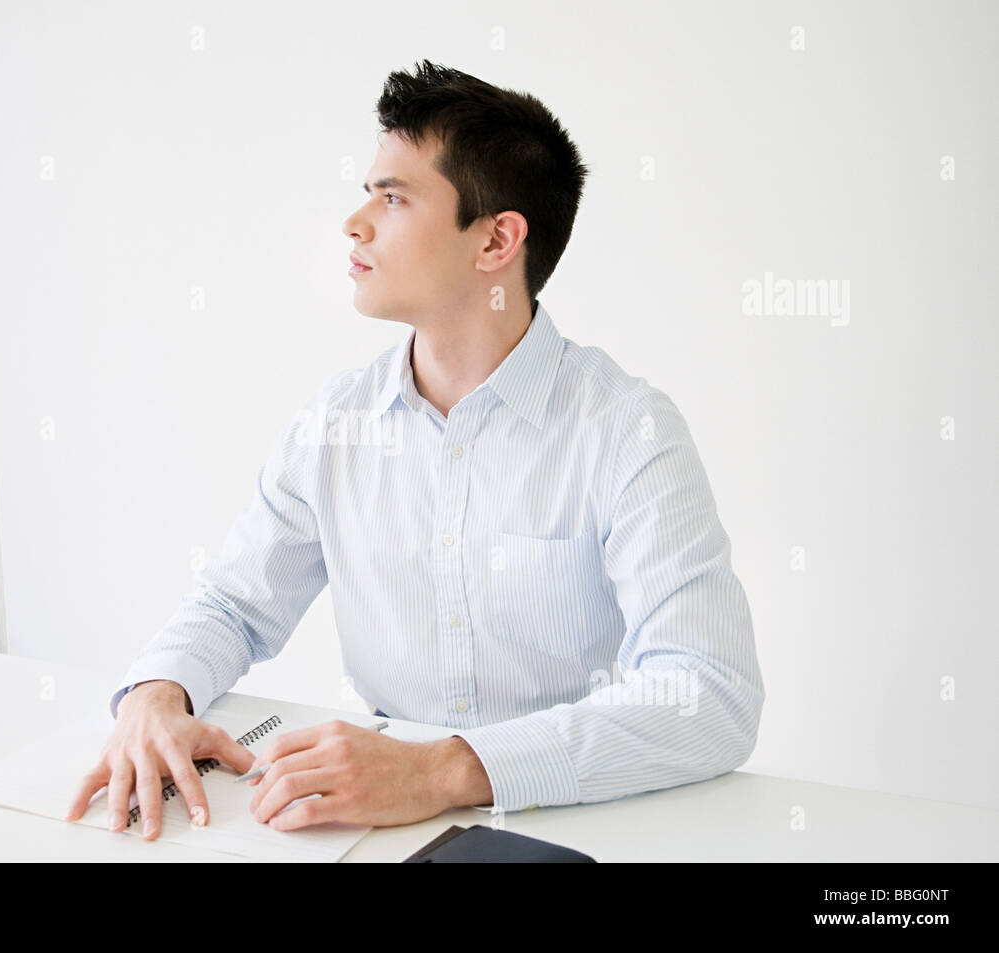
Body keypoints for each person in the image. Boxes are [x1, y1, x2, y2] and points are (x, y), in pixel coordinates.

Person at [66, 59, 764, 841]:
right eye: (368, 192)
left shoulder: (627, 429)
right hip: (377, 831)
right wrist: (156, 695)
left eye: (393, 197)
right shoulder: (337, 421)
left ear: (498, 238)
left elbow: (710, 693)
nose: (354, 222)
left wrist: (441, 769)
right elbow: (233, 604)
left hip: (572, 826)